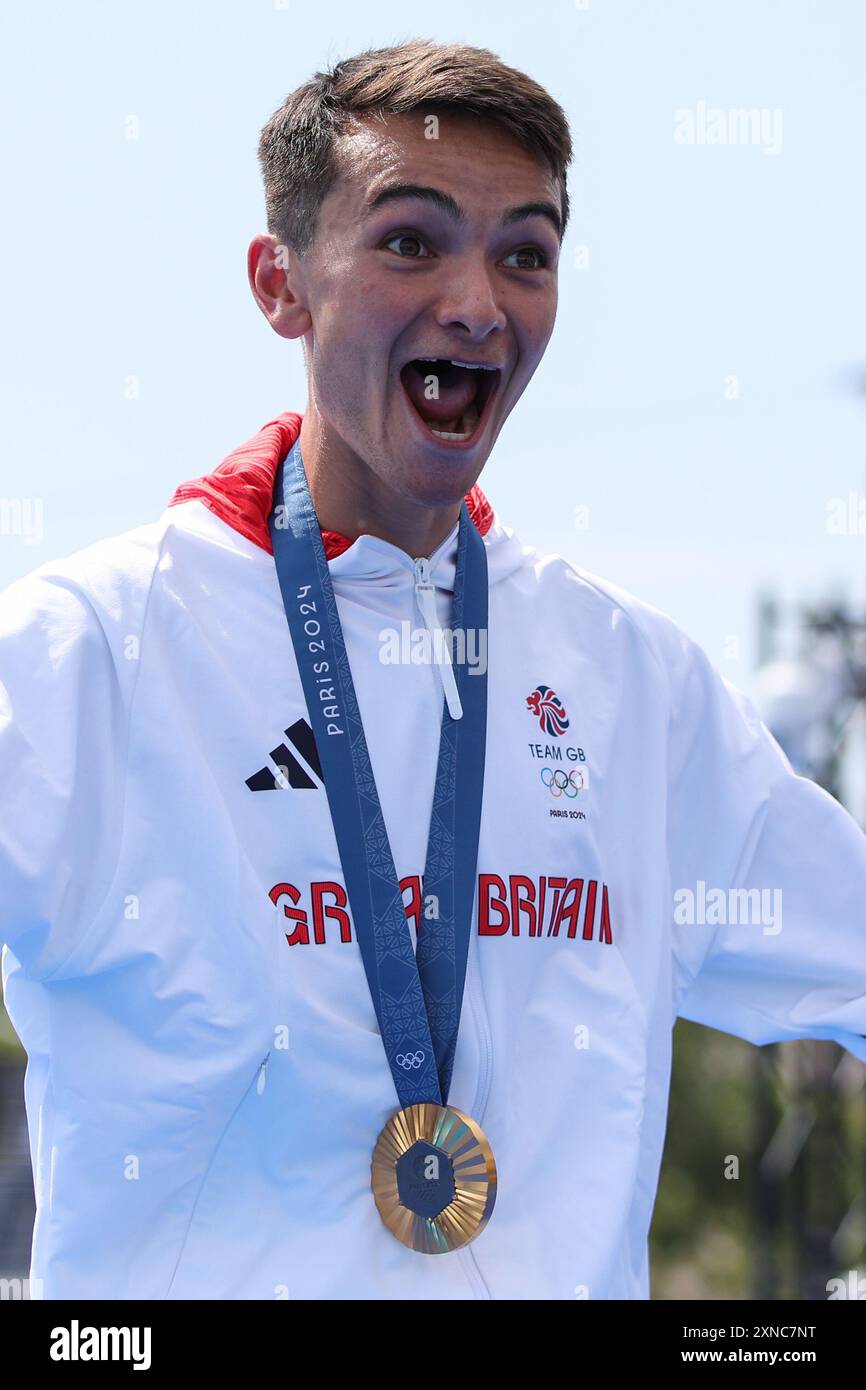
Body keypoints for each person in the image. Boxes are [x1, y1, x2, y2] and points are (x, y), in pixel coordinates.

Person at [1, 37, 864, 1302]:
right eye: (411, 241)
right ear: (280, 284)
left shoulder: (630, 682)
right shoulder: (94, 652)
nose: (477, 300)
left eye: (525, 253)